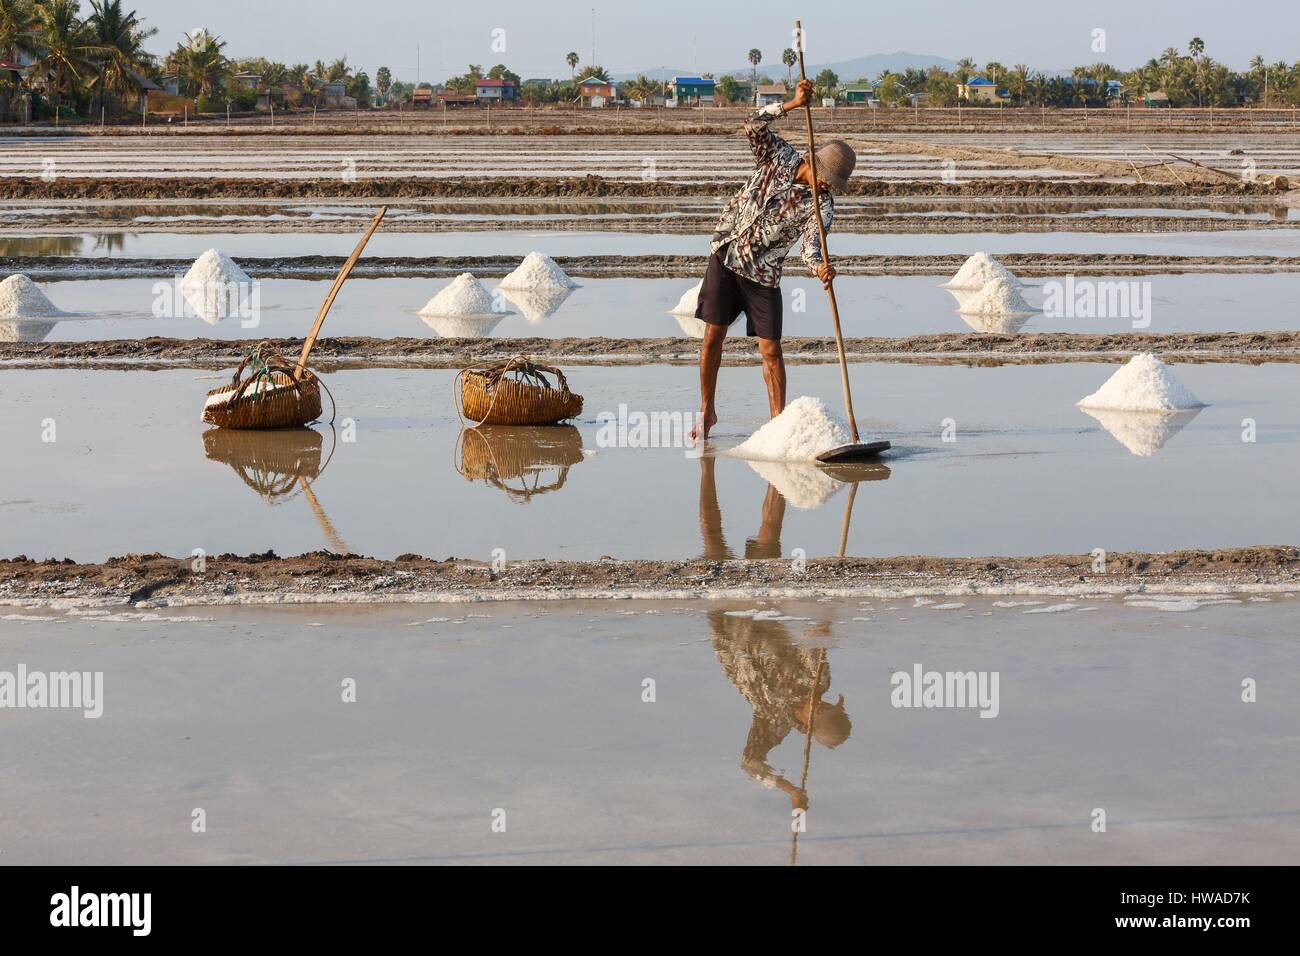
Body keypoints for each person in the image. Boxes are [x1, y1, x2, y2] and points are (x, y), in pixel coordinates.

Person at [689, 78, 857, 443]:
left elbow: (810, 248)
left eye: (833, 185)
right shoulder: (778, 156)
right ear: (814, 165)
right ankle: (707, 410)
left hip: (763, 274)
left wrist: (820, 270)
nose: (828, 188)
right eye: (827, 180)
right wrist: (793, 104)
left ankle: (778, 426)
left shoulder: (822, 206)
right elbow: (752, 123)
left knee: (771, 349)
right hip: (727, 252)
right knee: (712, 336)